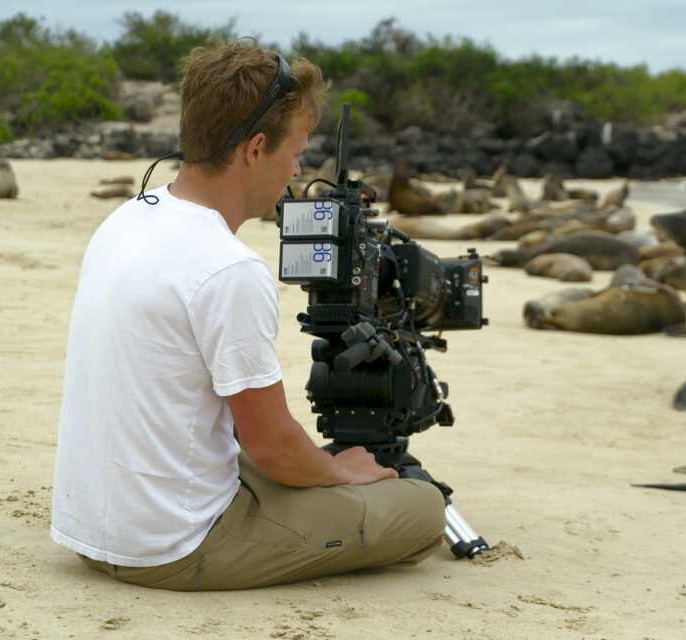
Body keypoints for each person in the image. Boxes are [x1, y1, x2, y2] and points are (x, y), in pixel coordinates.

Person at [50, 38, 445, 591]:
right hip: (175, 546)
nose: (298, 169)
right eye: (295, 151)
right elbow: (272, 448)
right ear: (255, 149)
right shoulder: (227, 267)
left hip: (90, 524)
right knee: (423, 509)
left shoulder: (127, 219)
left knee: (298, 467)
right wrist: (336, 472)